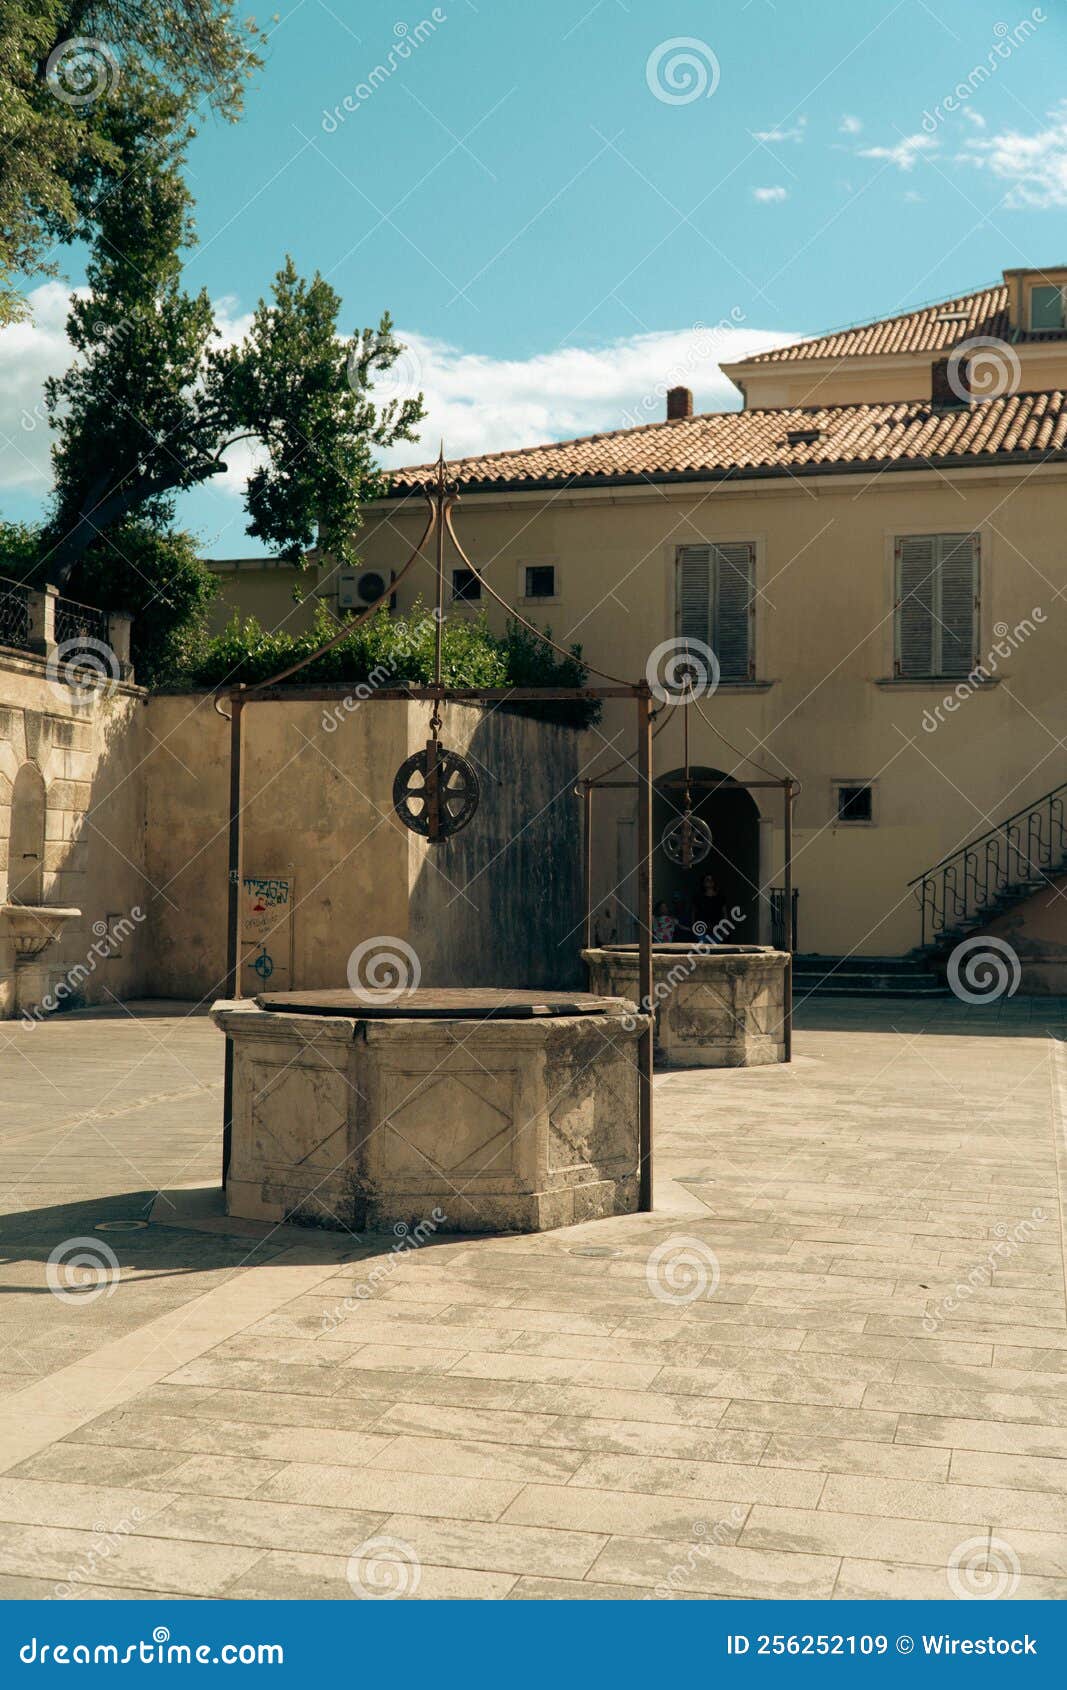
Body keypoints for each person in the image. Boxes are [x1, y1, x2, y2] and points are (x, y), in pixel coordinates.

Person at [691, 872, 728, 942]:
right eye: (707, 880)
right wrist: (693, 927)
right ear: (703, 883)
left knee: (714, 950)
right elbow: (693, 912)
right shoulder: (698, 897)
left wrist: (725, 928)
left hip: (717, 929)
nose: (710, 881)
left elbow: (724, 913)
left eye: (711, 880)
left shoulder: (720, 897)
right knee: (702, 949)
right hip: (701, 929)